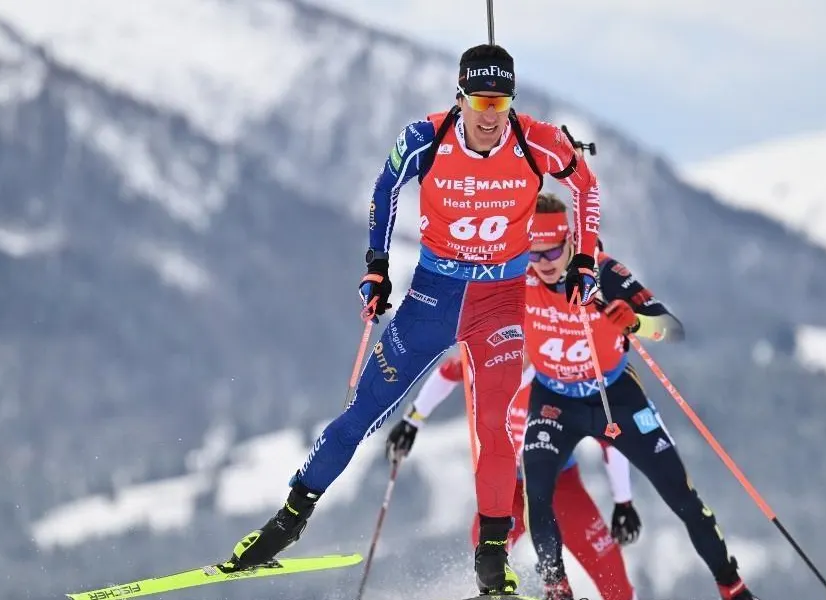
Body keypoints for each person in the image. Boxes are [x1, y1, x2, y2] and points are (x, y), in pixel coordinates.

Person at [219, 44, 602, 596]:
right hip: (433, 296)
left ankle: (492, 554)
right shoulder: (426, 136)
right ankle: (289, 518)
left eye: (500, 102)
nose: (490, 115)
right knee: (365, 412)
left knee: (494, 426)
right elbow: (384, 188)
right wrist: (376, 268)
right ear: (461, 97)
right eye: (479, 100)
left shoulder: (537, 140)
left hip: (499, 301)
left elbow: (585, 185)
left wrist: (585, 259)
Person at [519, 193, 761, 600]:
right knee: (537, 492)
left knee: (681, 495)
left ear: (571, 239)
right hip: (554, 401)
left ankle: (732, 585)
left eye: (553, 251)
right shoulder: (517, 275)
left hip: (615, 395)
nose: (543, 263)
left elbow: (672, 328)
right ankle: (555, 588)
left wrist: (636, 323)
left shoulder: (604, 272)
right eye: (534, 253)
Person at [386, 353, 642, 600]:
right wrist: (412, 421)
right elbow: (448, 372)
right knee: (484, 542)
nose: (519, 352)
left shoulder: (556, 379)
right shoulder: (487, 362)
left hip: (559, 485)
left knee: (612, 575)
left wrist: (624, 502)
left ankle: (558, 588)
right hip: (509, 486)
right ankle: (500, 588)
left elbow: (609, 439)